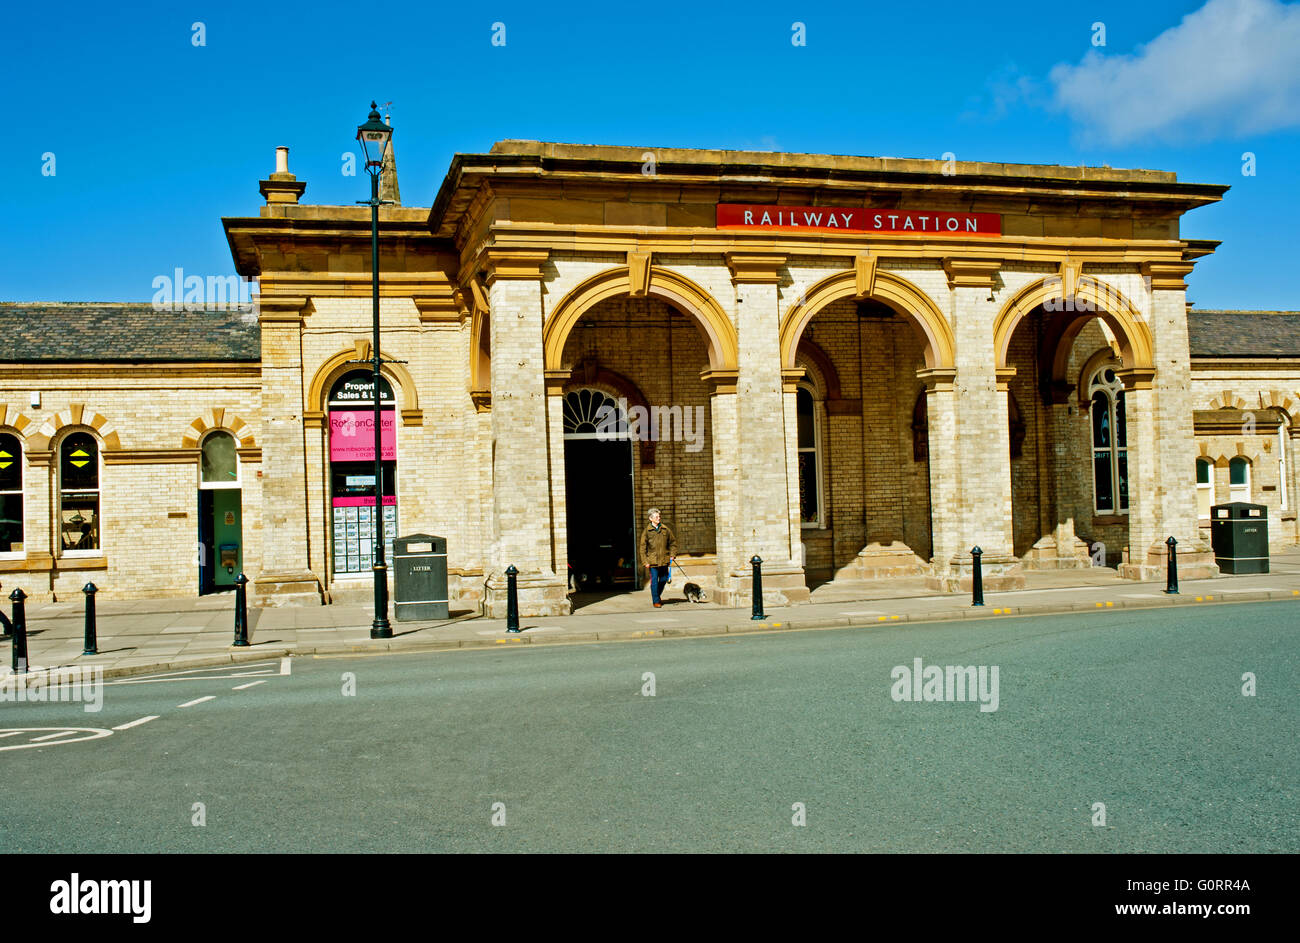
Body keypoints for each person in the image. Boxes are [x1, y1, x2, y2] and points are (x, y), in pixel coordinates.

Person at [639, 508, 677, 608]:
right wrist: (645, 561)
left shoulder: (665, 529)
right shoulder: (647, 531)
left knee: (664, 579)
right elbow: (642, 547)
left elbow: (673, 542)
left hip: (664, 560)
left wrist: (672, 554)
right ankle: (656, 601)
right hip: (652, 562)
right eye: (656, 517)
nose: (659, 518)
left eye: (659, 516)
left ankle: (657, 596)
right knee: (654, 581)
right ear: (651, 518)